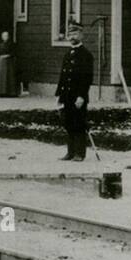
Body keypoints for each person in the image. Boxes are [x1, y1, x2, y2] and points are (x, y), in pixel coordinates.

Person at [55, 21, 94, 161]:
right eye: (70, 34)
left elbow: (87, 79)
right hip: (66, 95)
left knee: (78, 123)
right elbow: (63, 76)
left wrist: (82, 96)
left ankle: (79, 153)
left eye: (75, 33)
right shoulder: (67, 54)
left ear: (81, 35)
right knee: (68, 123)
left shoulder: (86, 55)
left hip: (78, 96)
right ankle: (70, 152)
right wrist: (59, 95)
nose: (72, 36)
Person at [0, 30, 18, 98]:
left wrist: (7, 56)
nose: (5, 37)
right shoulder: (0, 45)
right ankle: (1, 92)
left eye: (6, 36)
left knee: (9, 77)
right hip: (1, 63)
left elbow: (14, 53)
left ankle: (10, 93)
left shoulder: (12, 44)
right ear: (2, 37)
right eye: (4, 36)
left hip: (9, 63)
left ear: (8, 37)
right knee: (1, 77)